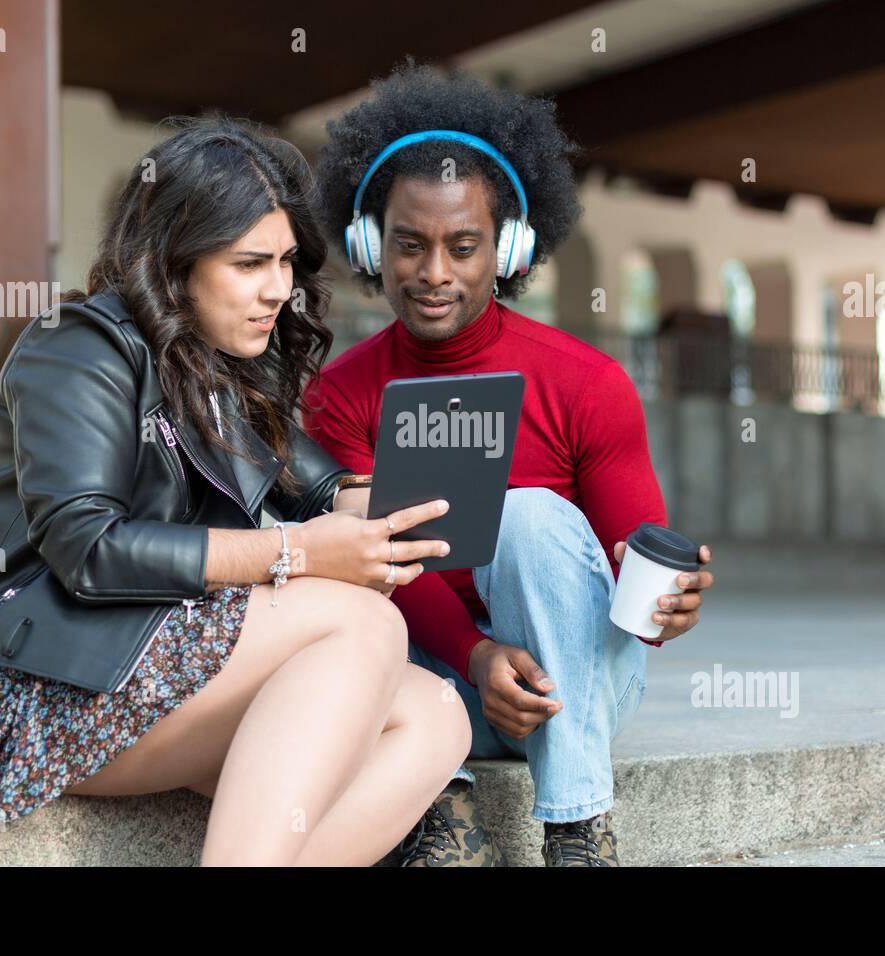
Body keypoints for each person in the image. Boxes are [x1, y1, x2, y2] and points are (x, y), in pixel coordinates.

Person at [0, 115, 471, 867]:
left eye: (287, 261)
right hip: (30, 684)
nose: (280, 290)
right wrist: (295, 553)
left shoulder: (224, 361)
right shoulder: (77, 347)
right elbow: (87, 547)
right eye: (250, 264)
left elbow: (323, 497)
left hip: (152, 657)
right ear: (176, 257)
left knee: (437, 715)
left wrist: (436, 500)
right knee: (364, 625)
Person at [304, 66, 715, 866]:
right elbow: (366, 574)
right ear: (367, 244)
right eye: (408, 244)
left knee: (525, 515)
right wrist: (474, 655)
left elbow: (638, 574)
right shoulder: (338, 396)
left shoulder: (587, 384)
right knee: (340, 566)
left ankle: (576, 831)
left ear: (511, 248)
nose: (434, 274)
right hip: (430, 683)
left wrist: (666, 604)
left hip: (575, 683)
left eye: (464, 246)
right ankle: (441, 805)